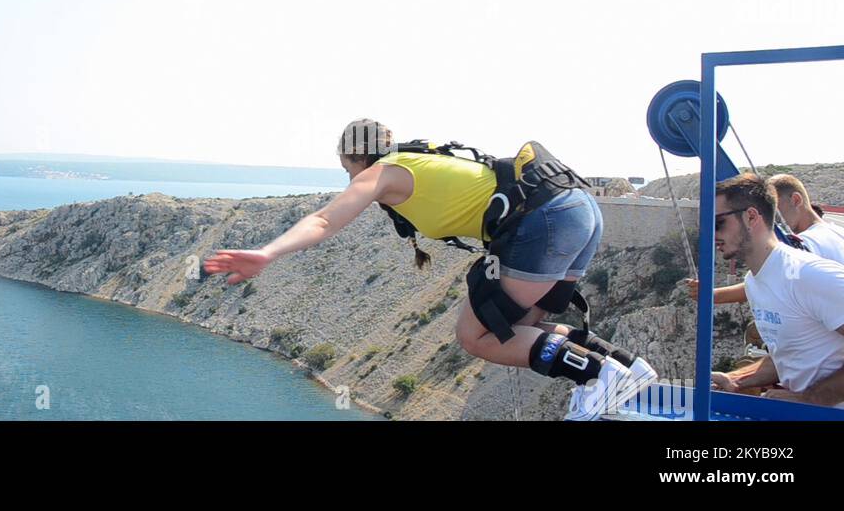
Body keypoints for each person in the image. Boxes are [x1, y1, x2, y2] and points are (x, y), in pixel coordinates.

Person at [204, 119, 656, 420]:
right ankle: (626, 368)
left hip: (546, 221)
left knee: (474, 335)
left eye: (347, 169)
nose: (350, 180)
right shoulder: (432, 159)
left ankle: (596, 376)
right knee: (522, 327)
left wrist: (268, 253)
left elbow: (324, 219)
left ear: (362, 159)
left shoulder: (385, 171)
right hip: (579, 211)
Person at [708, 174, 844, 407]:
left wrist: (813, 399)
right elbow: (791, 354)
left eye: (717, 223)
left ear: (751, 217)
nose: (711, 235)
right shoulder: (754, 282)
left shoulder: (808, 274)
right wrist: (736, 379)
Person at [686, 173, 844, 304]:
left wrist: (713, 295)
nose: (768, 215)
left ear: (796, 200)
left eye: (773, 207)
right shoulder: (836, 232)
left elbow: (776, 280)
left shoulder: (805, 244)